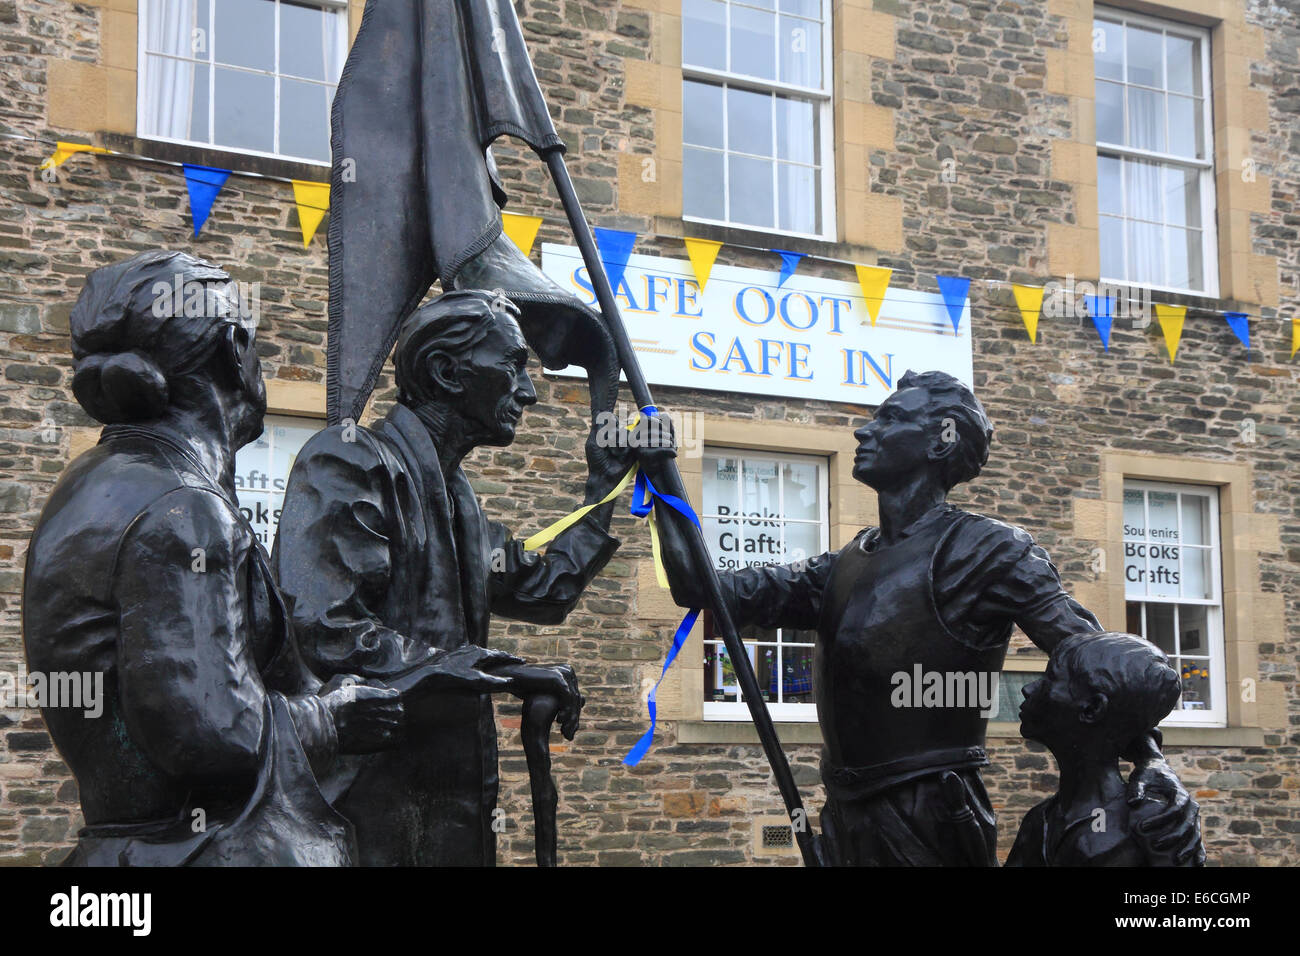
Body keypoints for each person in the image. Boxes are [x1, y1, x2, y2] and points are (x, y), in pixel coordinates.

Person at [643, 370, 1204, 866]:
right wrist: (660, 469)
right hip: (844, 811)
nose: (864, 432)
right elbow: (699, 587)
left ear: (941, 439)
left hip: (929, 815)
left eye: (889, 419)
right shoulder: (841, 565)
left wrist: (1150, 761)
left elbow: (1097, 664)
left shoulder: (988, 550)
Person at [21, 251, 416, 865]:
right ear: (235, 350)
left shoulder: (95, 481)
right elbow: (213, 734)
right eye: (253, 345)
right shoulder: (182, 510)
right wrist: (333, 720)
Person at [273, 289, 632, 866]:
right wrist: (501, 671)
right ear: (446, 372)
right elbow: (330, 630)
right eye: (512, 365)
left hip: (452, 809)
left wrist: (604, 489)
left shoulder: (457, 499)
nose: (529, 391)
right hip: (367, 809)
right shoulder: (348, 463)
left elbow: (544, 589)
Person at [1007, 632, 1199, 866]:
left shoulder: (1152, 823)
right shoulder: (1039, 821)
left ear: (1093, 708)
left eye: (1051, 679)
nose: (1029, 689)